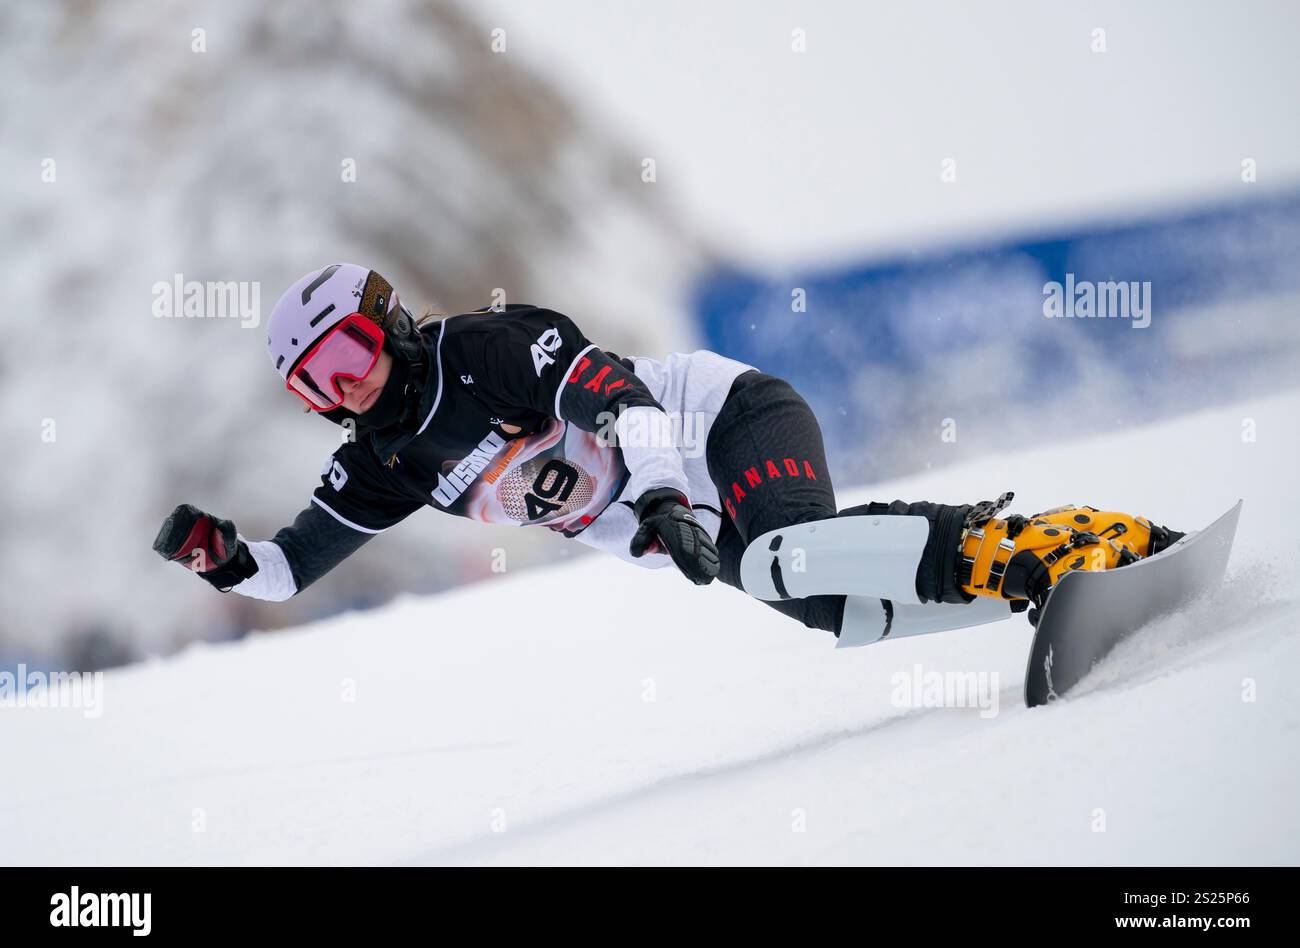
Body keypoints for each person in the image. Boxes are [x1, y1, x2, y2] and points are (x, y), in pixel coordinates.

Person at [154, 264, 1181, 644]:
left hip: (725, 421)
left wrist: (655, 500)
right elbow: (289, 566)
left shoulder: (485, 346)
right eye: (316, 384)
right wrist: (227, 556)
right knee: (841, 607)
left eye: (349, 353)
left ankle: (1068, 545)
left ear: (385, 322)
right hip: (682, 522)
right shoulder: (383, 462)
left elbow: (624, 398)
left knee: (792, 558)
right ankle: (1034, 582)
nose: (348, 386)